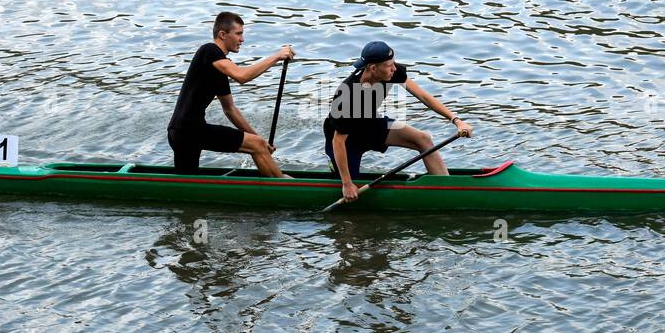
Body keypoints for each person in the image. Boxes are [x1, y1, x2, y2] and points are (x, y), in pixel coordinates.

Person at [324, 41, 473, 202]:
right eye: (389, 65)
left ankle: (448, 193)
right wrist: (347, 184)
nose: (394, 68)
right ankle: (337, 171)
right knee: (350, 187)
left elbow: (423, 96)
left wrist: (456, 120)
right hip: (346, 141)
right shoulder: (348, 96)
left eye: (393, 63)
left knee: (423, 139)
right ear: (373, 68)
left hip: (370, 123)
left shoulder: (390, 71)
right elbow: (338, 141)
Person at [168, 12, 295, 176]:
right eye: (238, 34)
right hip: (190, 131)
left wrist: (260, 140)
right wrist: (277, 56)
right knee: (255, 146)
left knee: (185, 184)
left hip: (180, 132)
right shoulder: (210, 50)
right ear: (222, 34)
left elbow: (230, 110)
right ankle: (282, 186)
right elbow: (242, 76)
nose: (242, 39)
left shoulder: (218, 68)